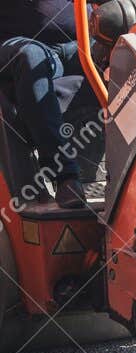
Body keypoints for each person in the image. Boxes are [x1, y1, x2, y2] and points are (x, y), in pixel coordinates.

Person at [0, 0, 88, 209]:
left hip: (81, 42)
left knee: (131, 45)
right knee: (30, 55)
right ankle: (65, 176)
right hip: (17, 43)